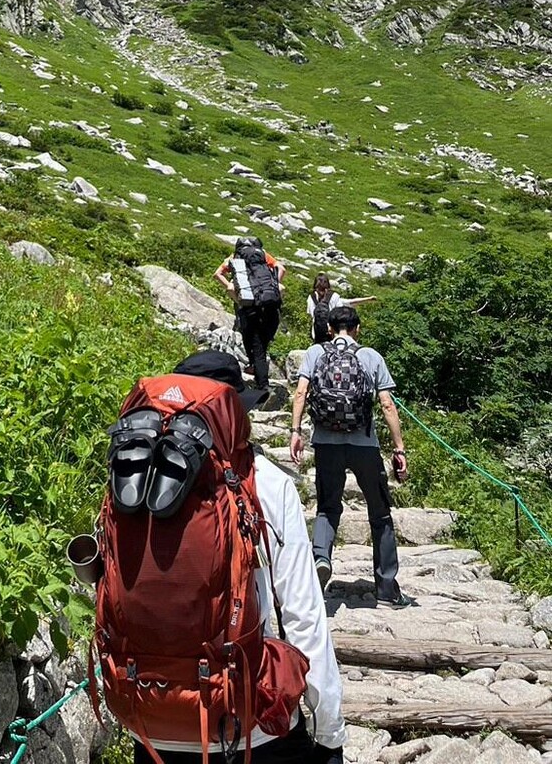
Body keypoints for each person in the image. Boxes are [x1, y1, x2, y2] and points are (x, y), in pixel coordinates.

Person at [126, 352, 345, 763]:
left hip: (152, 719)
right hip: (246, 726)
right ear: (235, 411)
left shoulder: (133, 480)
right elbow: (304, 617)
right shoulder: (267, 483)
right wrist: (329, 728)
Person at [289, 305, 412, 607]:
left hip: (326, 444)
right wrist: (399, 448)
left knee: (327, 508)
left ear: (329, 329)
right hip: (364, 445)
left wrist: (295, 432)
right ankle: (386, 588)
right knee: (380, 513)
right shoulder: (370, 357)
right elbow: (386, 405)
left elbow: (301, 393)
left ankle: (321, 558)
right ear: (357, 328)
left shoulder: (315, 353)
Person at [215, 238, 285, 389]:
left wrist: (230, 286)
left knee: (255, 344)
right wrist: (274, 284)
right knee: (262, 343)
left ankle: (262, 385)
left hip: (249, 306)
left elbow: (217, 274)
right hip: (270, 303)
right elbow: (282, 269)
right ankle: (257, 369)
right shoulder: (263, 254)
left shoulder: (234, 257)